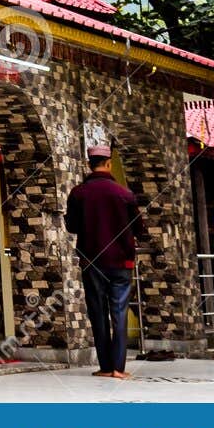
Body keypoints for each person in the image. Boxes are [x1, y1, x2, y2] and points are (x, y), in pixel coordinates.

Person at [64, 145, 141, 379]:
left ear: (90, 164)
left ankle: (105, 367)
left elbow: (72, 227)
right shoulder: (125, 194)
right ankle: (119, 367)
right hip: (121, 263)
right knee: (119, 312)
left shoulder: (78, 194)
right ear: (108, 164)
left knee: (98, 312)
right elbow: (139, 227)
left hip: (92, 262)